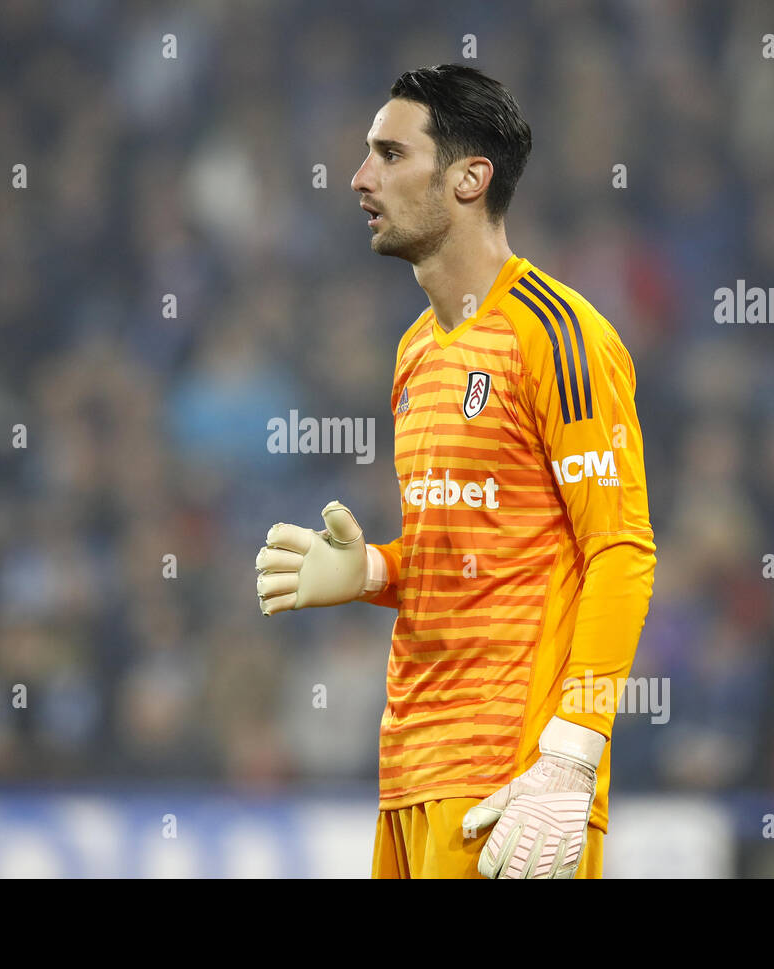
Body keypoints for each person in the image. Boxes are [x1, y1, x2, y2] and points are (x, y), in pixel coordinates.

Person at [255, 64, 656, 879]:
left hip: (511, 785)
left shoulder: (560, 335)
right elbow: (479, 549)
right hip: (410, 772)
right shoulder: (413, 352)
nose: (360, 177)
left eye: (390, 154)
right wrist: (372, 568)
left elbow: (620, 551)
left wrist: (572, 755)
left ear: (471, 178)